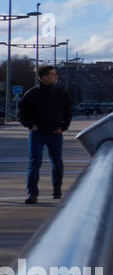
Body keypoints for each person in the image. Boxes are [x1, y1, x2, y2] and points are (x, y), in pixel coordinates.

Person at [19, 64, 73, 204]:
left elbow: (68, 112)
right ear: (43, 77)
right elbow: (22, 113)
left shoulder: (61, 93)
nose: (56, 76)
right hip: (37, 133)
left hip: (55, 133)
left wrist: (63, 127)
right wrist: (31, 125)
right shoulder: (32, 94)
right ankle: (32, 194)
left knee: (57, 162)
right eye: (53, 74)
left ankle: (57, 190)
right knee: (35, 162)